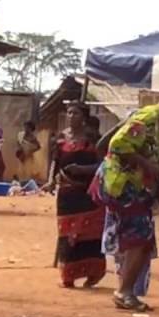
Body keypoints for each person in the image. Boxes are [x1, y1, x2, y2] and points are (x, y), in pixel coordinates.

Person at [91, 84, 159, 312]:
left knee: (140, 239)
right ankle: (124, 292)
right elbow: (117, 145)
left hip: (138, 189)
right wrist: (147, 164)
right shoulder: (146, 120)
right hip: (122, 185)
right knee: (140, 238)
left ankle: (125, 290)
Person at [52, 102, 106, 288]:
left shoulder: (93, 139)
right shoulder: (61, 138)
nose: (71, 116)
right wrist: (52, 180)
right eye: (69, 112)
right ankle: (68, 275)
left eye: (75, 113)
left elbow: (103, 165)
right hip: (67, 193)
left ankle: (93, 273)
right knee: (67, 232)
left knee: (89, 233)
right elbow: (56, 162)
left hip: (89, 192)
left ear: (83, 117)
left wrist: (81, 169)